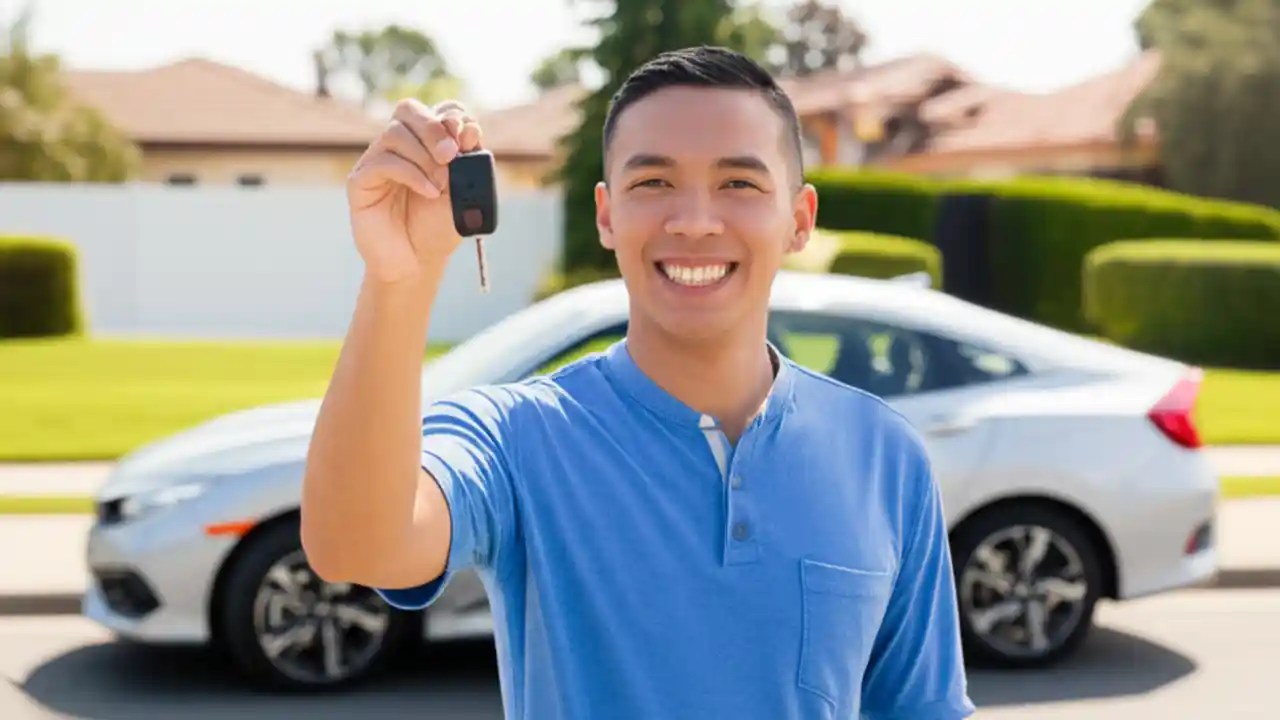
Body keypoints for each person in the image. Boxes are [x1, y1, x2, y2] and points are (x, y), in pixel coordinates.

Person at [301, 45, 975, 719]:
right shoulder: (516, 436)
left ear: (798, 219)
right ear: (606, 214)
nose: (694, 220)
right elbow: (357, 546)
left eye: (738, 184)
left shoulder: (886, 456)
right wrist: (399, 280)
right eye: (654, 183)